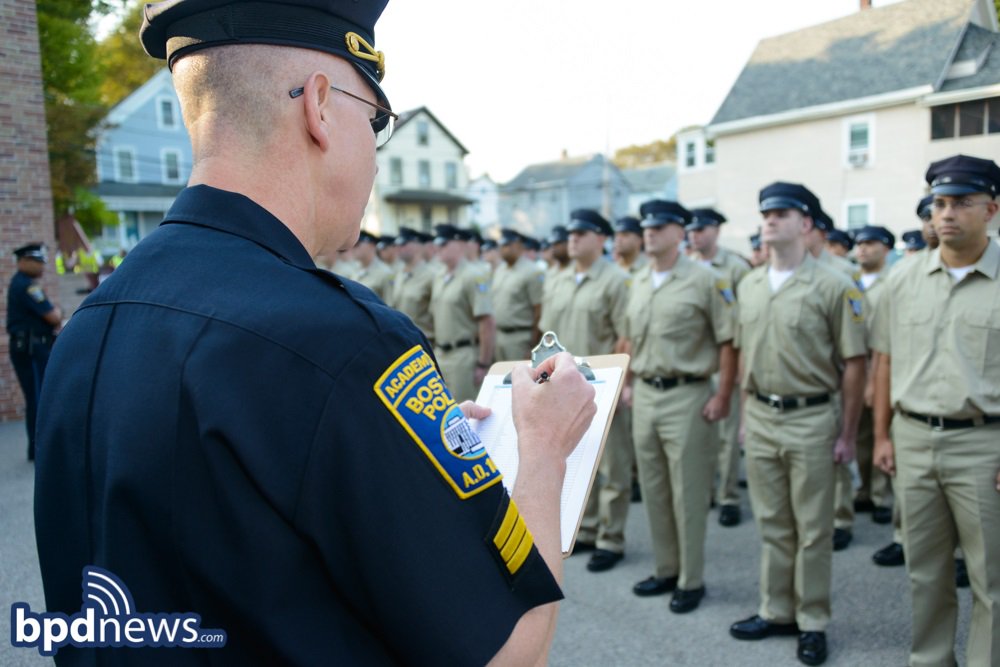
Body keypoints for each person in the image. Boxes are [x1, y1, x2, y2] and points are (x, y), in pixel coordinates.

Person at [33, 2, 598, 663]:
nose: (377, 159)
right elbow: (508, 648)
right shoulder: (345, 345)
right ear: (321, 108)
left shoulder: (86, 331)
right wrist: (545, 453)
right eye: (376, 120)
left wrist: (395, 452)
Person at [730, 182, 867, 667]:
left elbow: (854, 363)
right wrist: (746, 419)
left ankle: (812, 620)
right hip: (764, 415)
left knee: (813, 528)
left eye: (782, 212)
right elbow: (746, 355)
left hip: (812, 416)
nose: (770, 219)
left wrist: (848, 434)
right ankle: (777, 610)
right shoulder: (748, 285)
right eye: (766, 212)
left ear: (806, 224)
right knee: (772, 523)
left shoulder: (834, 284)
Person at [873, 154, 1000, 667]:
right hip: (914, 439)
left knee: (989, 578)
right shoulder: (902, 280)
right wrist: (881, 436)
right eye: (939, 204)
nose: (946, 215)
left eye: (962, 204)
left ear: (991, 209)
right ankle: (929, 660)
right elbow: (883, 361)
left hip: (983, 445)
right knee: (924, 571)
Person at [622, 199, 736, 612]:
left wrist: (722, 395)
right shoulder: (637, 281)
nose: (649, 232)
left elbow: (728, 341)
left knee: (688, 493)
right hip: (646, 395)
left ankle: (691, 578)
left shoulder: (705, 280)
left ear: (680, 232)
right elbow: (630, 339)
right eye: (646, 225)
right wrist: (629, 382)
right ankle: (666, 568)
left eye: (660, 226)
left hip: (688, 394)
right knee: (653, 490)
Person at [540, 209, 632, 572]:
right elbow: (547, 335)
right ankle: (588, 529)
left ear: (601, 239)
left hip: (602, 384)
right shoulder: (558, 279)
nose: (573, 238)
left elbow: (626, 335)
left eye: (583, 233)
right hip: (564, 386)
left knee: (612, 465)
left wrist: (625, 383)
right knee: (578, 460)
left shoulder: (615, 280)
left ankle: (611, 537)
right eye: (571, 233)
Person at [687, 207, 751, 527]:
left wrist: (740, 366)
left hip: (726, 359)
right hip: (697, 363)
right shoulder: (686, 267)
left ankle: (728, 496)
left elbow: (744, 321)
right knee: (700, 434)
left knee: (726, 435)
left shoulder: (736, 268)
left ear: (716, 231)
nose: (696, 235)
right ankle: (707, 489)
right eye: (692, 230)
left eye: (702, 229)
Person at [849, 226, 895, 530]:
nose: (862, 249)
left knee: (882, 432)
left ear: (886, 249)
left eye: (870, 244)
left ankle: (881, 497)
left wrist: (871, 379)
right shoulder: (847, 281)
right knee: (859, 436)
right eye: (859, 244)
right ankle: (863, 489)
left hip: (879, 365)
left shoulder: (892, 282)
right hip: (853, 366)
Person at [6, 243, 60, 461]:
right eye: (37, 261)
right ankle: (40, 450)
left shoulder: (20, 284)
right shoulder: (27, 286)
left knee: (36, 397)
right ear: (23, 261)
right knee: (40, 398)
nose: (42, 266)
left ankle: (37, 448)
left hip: (29, 347)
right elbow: (53, 317)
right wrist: (58, 312)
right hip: (32, 349)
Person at [430, 224, 495, 402]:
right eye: (437, 244)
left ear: (459, 244)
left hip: (464, 357)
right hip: (441, 354)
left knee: (465, 416)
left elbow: (486, 321)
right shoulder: (439, 276)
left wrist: (483, 363)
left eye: (443, 244)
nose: (438, 249)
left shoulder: (473, 275)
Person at [492, 229, 544, 361]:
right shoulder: (500, 270)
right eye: (501, 245)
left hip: (520, 338)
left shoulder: (532, 271)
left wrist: (533, 346)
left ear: (518, 245)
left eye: (507, 245)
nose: (502, 249)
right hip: (499, 336)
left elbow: (539, 310)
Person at [388, 226, 435, 340]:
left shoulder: (432, 275)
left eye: (403, 244)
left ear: (417, 246)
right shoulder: (399, 274)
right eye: (397, 244)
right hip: (402, 341)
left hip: (425, 343)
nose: (399, 248)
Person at [352, 230, 394, 301]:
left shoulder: (386, 273)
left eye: (357, 244)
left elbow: (389, 305)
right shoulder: (355, 269)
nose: (353, 247)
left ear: (371, 245)